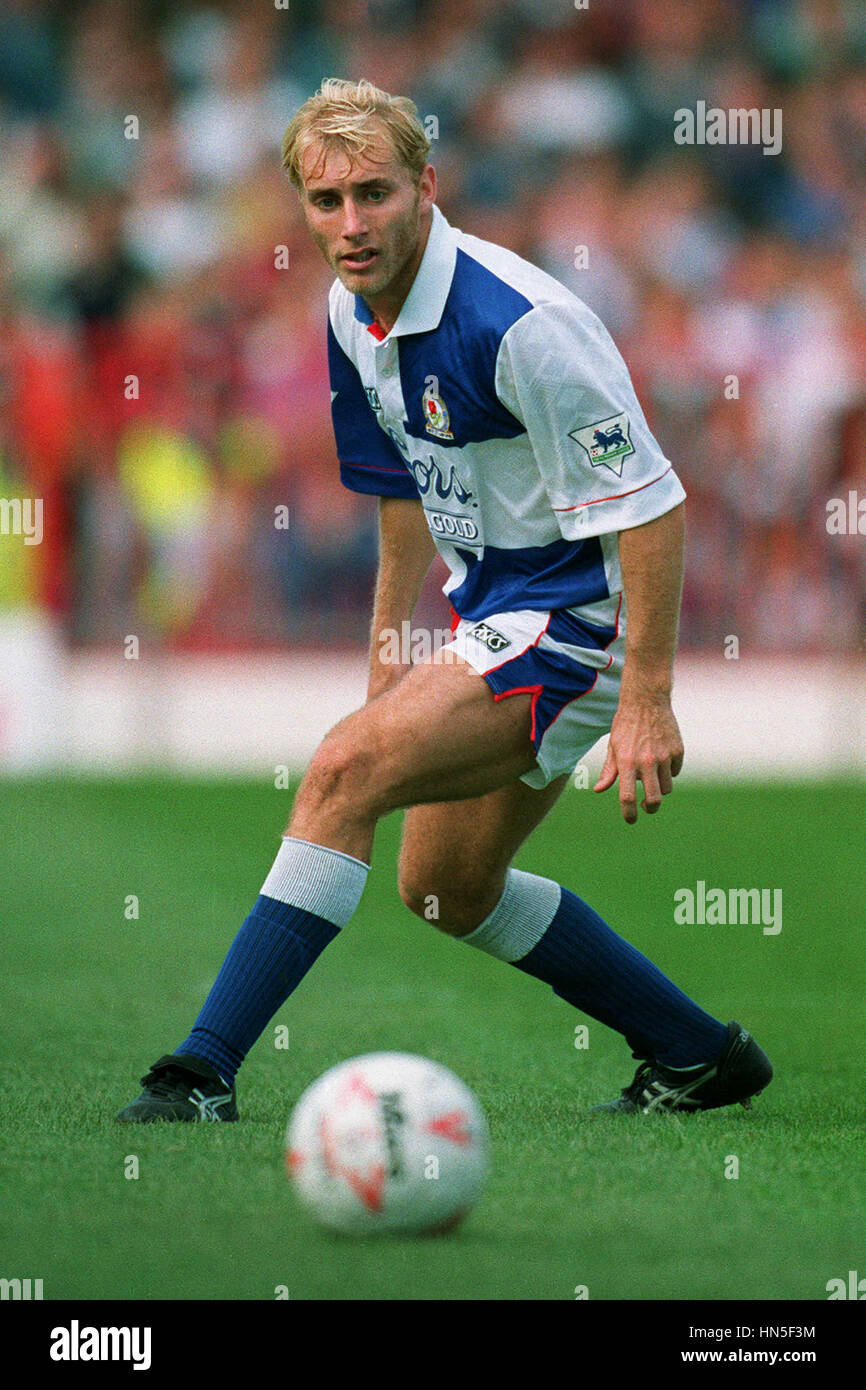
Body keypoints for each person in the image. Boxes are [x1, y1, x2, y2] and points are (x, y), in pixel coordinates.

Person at [117, 79, 772, 1123]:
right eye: (324, 203)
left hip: (576, 627)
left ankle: (200, 1072)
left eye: (372, 194)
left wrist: (645, 695)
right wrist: (388, 647)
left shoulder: (521, 325)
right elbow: (398, 486)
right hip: (498, 619)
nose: (350, 224)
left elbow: (652, 506)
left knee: (339, 771)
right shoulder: (348, 308)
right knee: (442, 888)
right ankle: (698, 1053)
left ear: (427, 186)